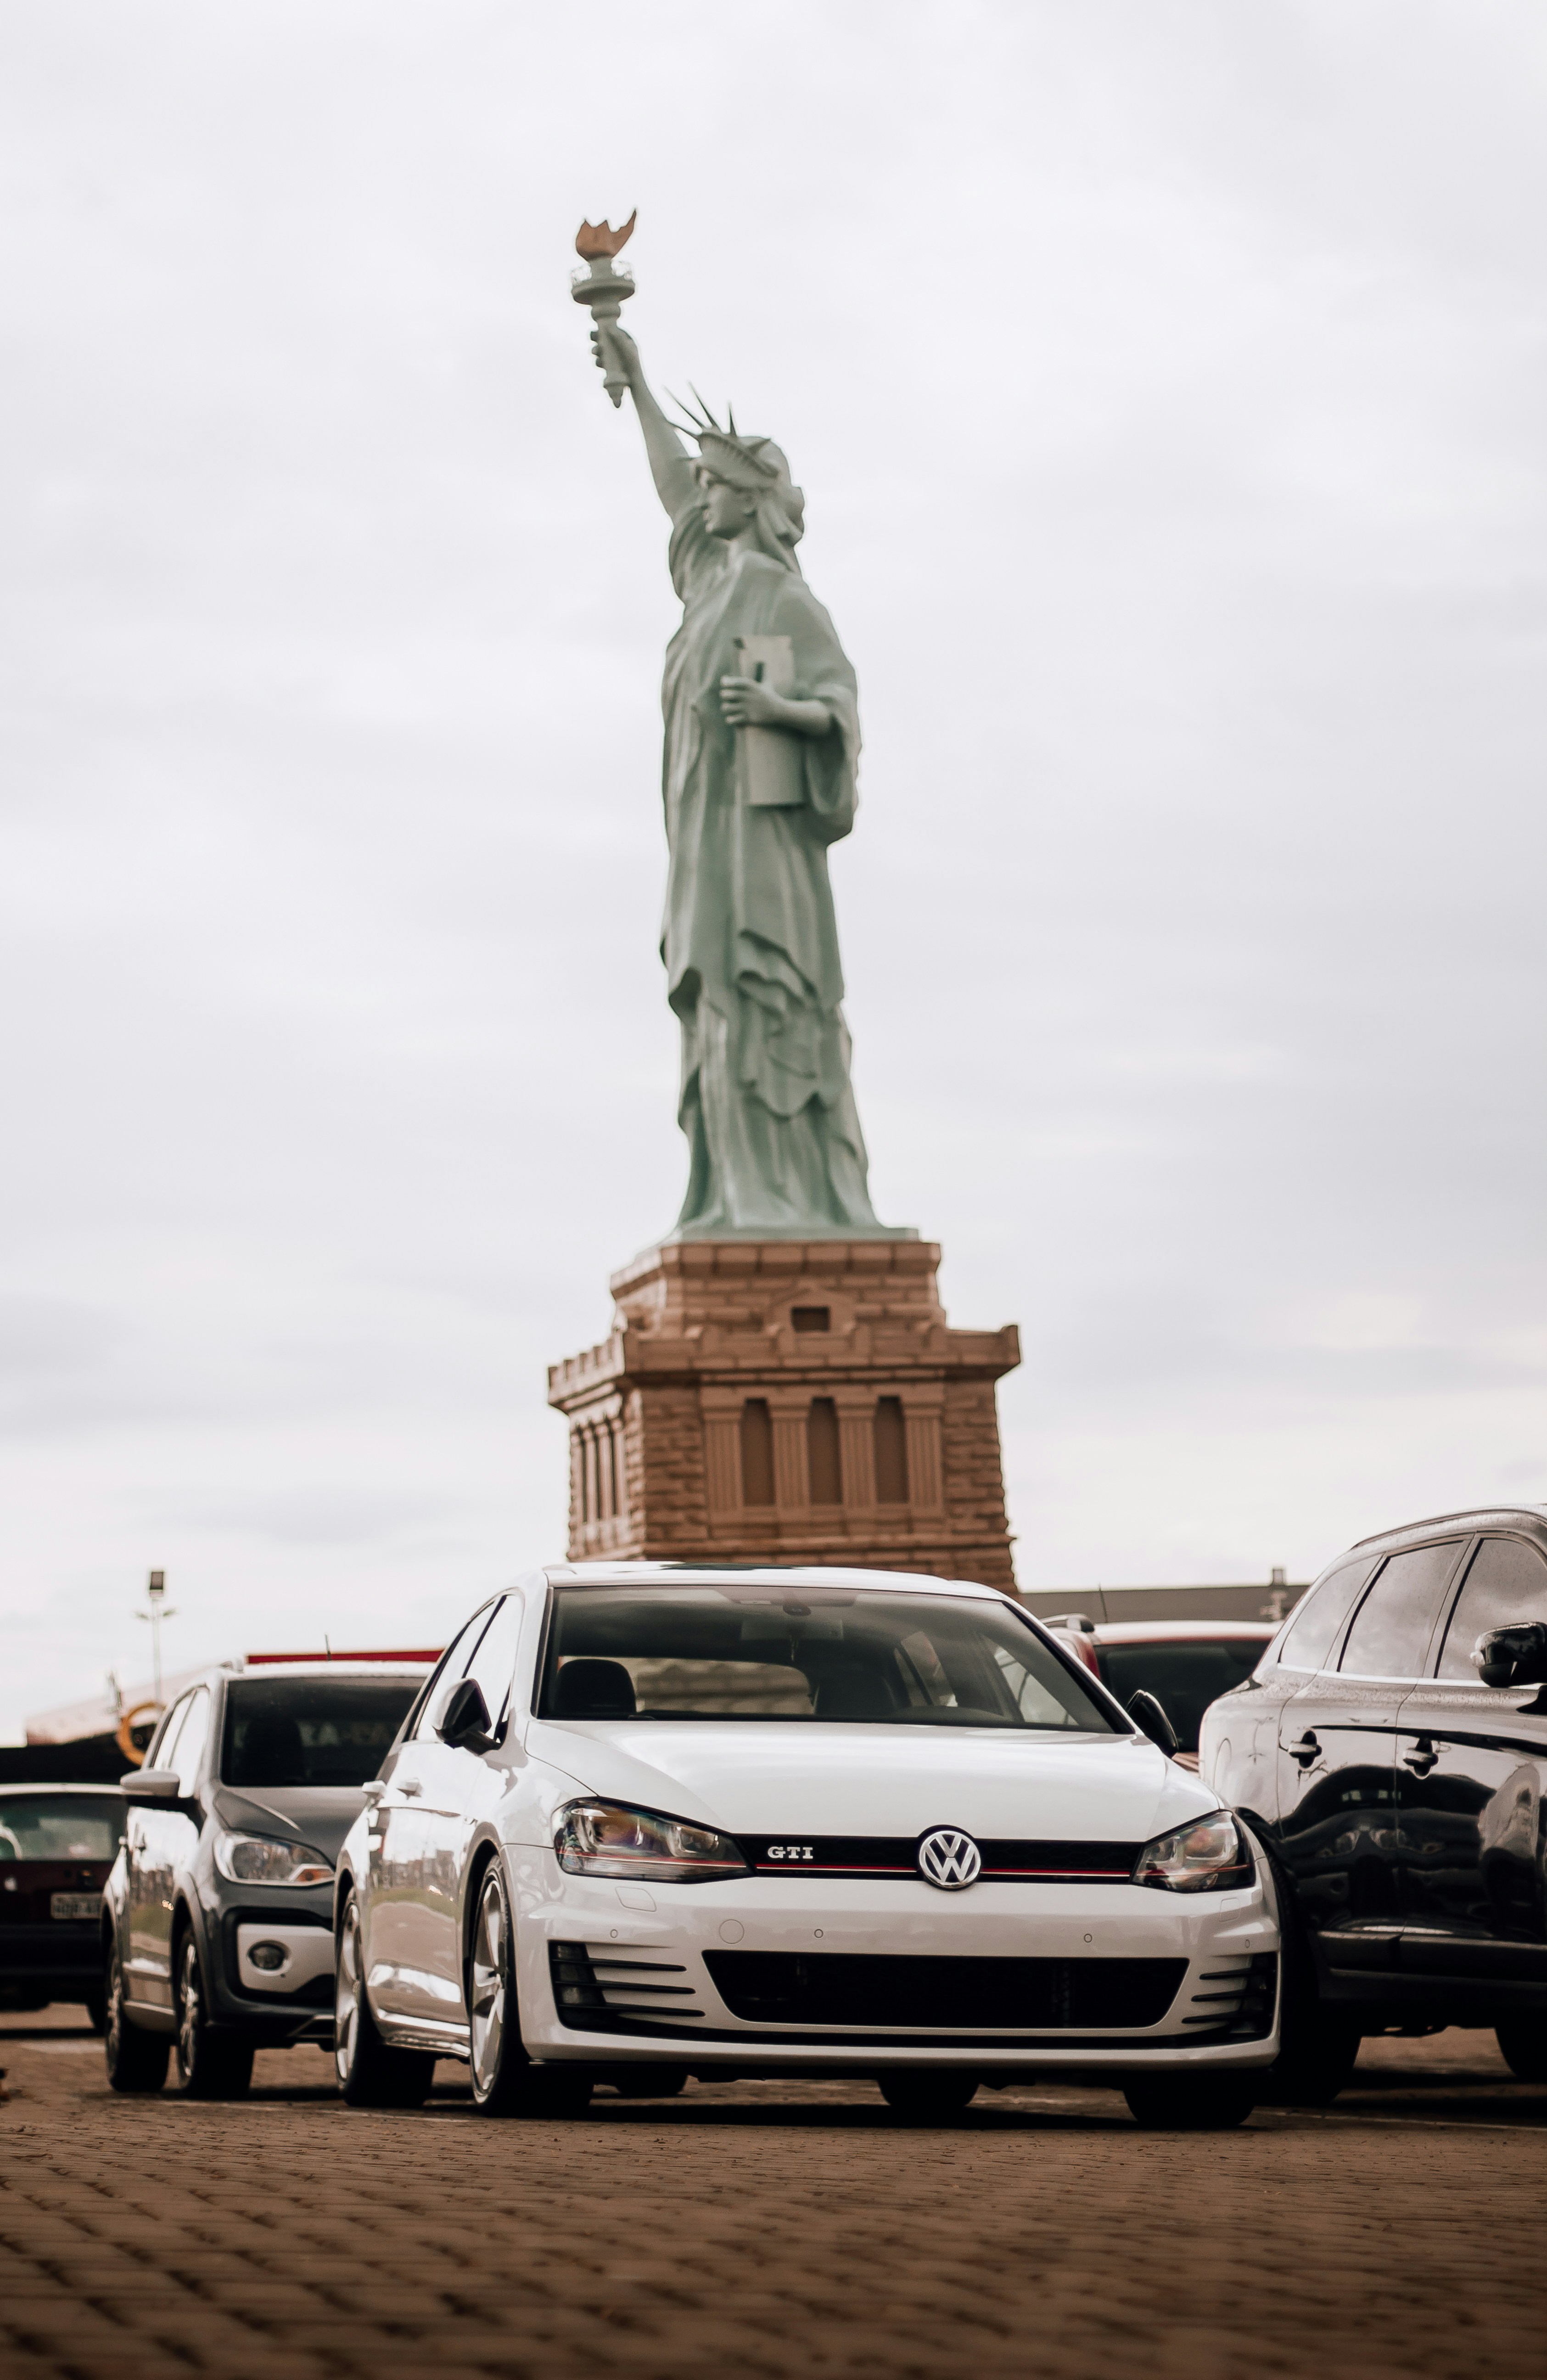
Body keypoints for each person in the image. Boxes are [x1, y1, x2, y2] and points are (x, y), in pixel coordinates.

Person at [594, 321, 884, 1236]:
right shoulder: (711, 580)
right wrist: (637, 381)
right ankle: (731, 1192)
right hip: (703, 840)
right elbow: (669, 485)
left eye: (721, 486)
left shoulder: (784, 598)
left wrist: (778, 715)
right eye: (707, 483)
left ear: (753, 502)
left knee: (770, 993)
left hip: (766, 846)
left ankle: (793, 1196)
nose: (702, 496)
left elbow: (839, 710)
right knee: (712, 997)